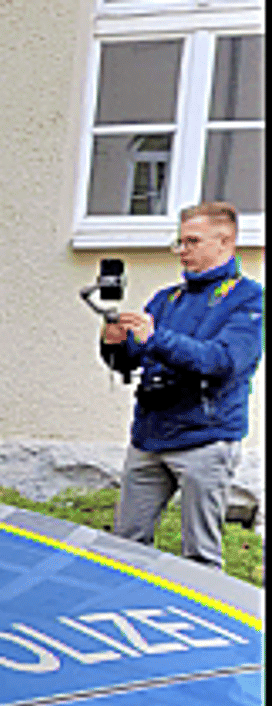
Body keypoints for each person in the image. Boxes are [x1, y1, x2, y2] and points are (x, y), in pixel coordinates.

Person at [101, 202, 264, 567]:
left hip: (205, 441)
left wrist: (154, 339)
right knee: (123, 548)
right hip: (149, 437)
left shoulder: (249, 300)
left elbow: (222, 362)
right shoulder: (166, 298)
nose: (182, 251)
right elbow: (131, 361)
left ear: (224, 242)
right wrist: (115, 344)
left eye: (192, 241)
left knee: (200, 558)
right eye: (179, 242)